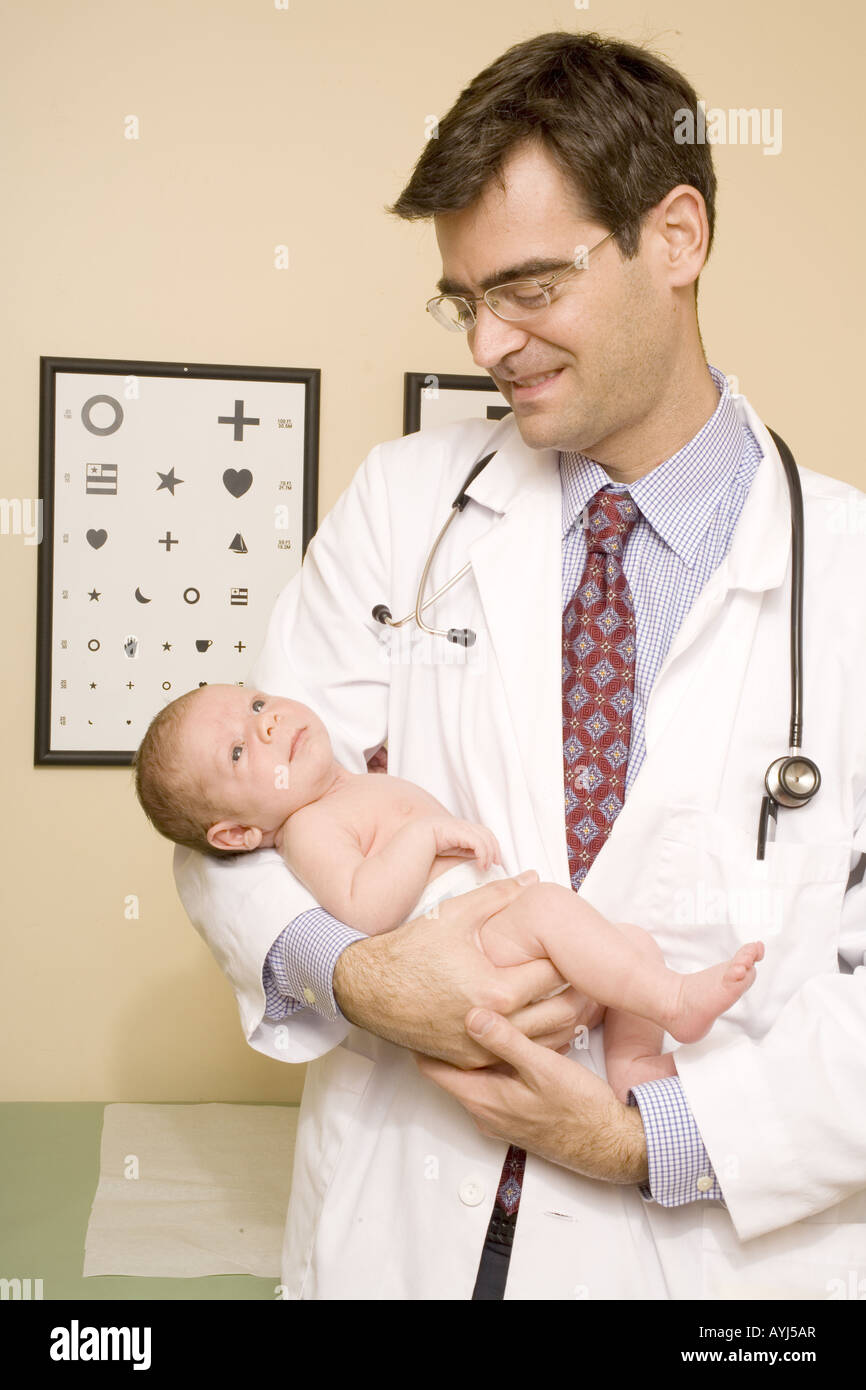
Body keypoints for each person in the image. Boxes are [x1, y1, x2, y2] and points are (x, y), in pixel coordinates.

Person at [173, 30, 866, 1299]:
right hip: (405, 1224)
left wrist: (636, 1137)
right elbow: (234, 821)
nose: (487, 341)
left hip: (696, 1260)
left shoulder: (852, 576)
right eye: (463, 298)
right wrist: (371, 976)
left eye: (530, 287)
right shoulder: (405, 505)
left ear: (676, 238)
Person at [135, 682, 764, 1101]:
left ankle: (633, 1071)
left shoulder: (345, 788)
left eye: (255, 704)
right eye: (241, 750)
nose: (269, 723)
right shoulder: (308, 827)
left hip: (493, 934)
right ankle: (676, 1000)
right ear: (241, 833)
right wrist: (426, 835)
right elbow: (361, 909)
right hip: (463, 948)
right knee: (551, 911)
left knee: (628, 942)